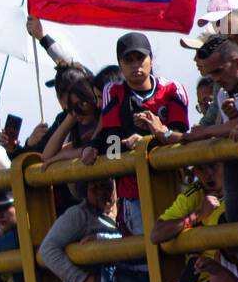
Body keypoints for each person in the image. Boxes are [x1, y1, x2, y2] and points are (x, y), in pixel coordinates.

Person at [80, 32, 190, 239]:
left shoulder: (173, 90)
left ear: (151, 59)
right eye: (128, 60)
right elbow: (112, 148)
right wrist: (95, 145)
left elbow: (183, 138)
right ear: (120, 65)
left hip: (173, 187)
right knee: (146, 258)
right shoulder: (113, 92)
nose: (135, 65)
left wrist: (148, 139)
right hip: (133, 194)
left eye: (140, 58)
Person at [184, 35, 238, 282]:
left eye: (219, 71)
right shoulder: (223, 94)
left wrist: (207, 131)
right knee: (236, 216)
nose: (216, 80)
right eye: (211, 75)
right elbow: (232, 127)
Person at [41, 178, 149, 282]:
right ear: (84, 191)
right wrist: (85, 280)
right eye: (94, 188)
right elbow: (47, 250)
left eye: (106, 186)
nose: (101, 192)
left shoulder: (123, 212)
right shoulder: (78, 214)